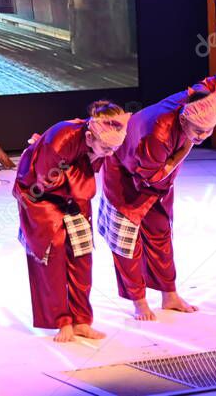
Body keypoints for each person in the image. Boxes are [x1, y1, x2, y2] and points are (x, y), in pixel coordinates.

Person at [98, 53, 216, 320]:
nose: (202, 138)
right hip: (126, 175)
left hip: (160, 179)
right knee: (127, 241)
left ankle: (169, 293)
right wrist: (185, 148)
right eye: (198, 132)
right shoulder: (157, 135)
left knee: (160, 231)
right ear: (182, 120)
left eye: (208, 132)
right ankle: (138, 300)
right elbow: (152, 177)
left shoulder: (198, 98)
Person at [13, 101, 130, 342]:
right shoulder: (61, 140)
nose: (110, 154)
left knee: (82, 257)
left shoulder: (99, 145)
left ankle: (81, 321)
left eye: (113, 149)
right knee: (52, 257)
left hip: (73, 196)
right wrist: (79, 170)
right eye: (106, 148)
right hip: (41, 197)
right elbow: (45, 182)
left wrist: (85, 165)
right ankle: (61, 321)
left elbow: (84, 178)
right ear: (89, 137)